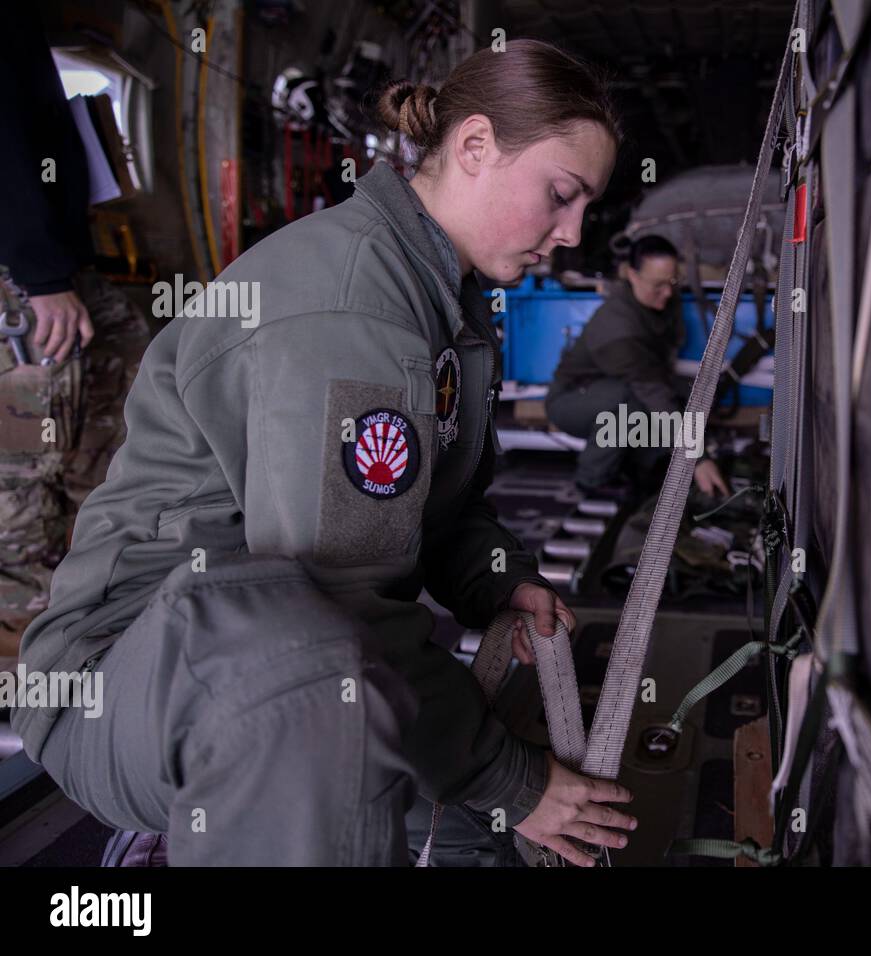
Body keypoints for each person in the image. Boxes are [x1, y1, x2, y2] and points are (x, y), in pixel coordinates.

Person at [13, 39, 636, 866]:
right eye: (562, 196)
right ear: (475, 146)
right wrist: (513, 780)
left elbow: (441, 505)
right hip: (123, 678)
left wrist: (500, 579)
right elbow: (345, 607)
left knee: (479, 847)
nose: (571, 234)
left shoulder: (443, 295)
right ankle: (192, 814)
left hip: (276, 657)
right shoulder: (353, 307)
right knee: (336, 719)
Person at [0, 7, 151, 661]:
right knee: (26, 462)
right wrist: (39, 275)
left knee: (108, 438)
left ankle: (84, 610)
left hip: (60, 268)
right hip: (25, 279)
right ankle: (23, 636)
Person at [545, 234, 731, 499]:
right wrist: (696, 459)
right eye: (658, 285)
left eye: (673, 282)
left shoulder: (663, 298)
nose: (668, 293)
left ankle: (644, 465)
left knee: (682, 394)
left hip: (622, 385)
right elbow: (652, 390)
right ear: (632, 275)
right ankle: (591, 480)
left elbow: (661, 369)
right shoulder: (618, 330)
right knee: (632, 402)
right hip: (572, 401)